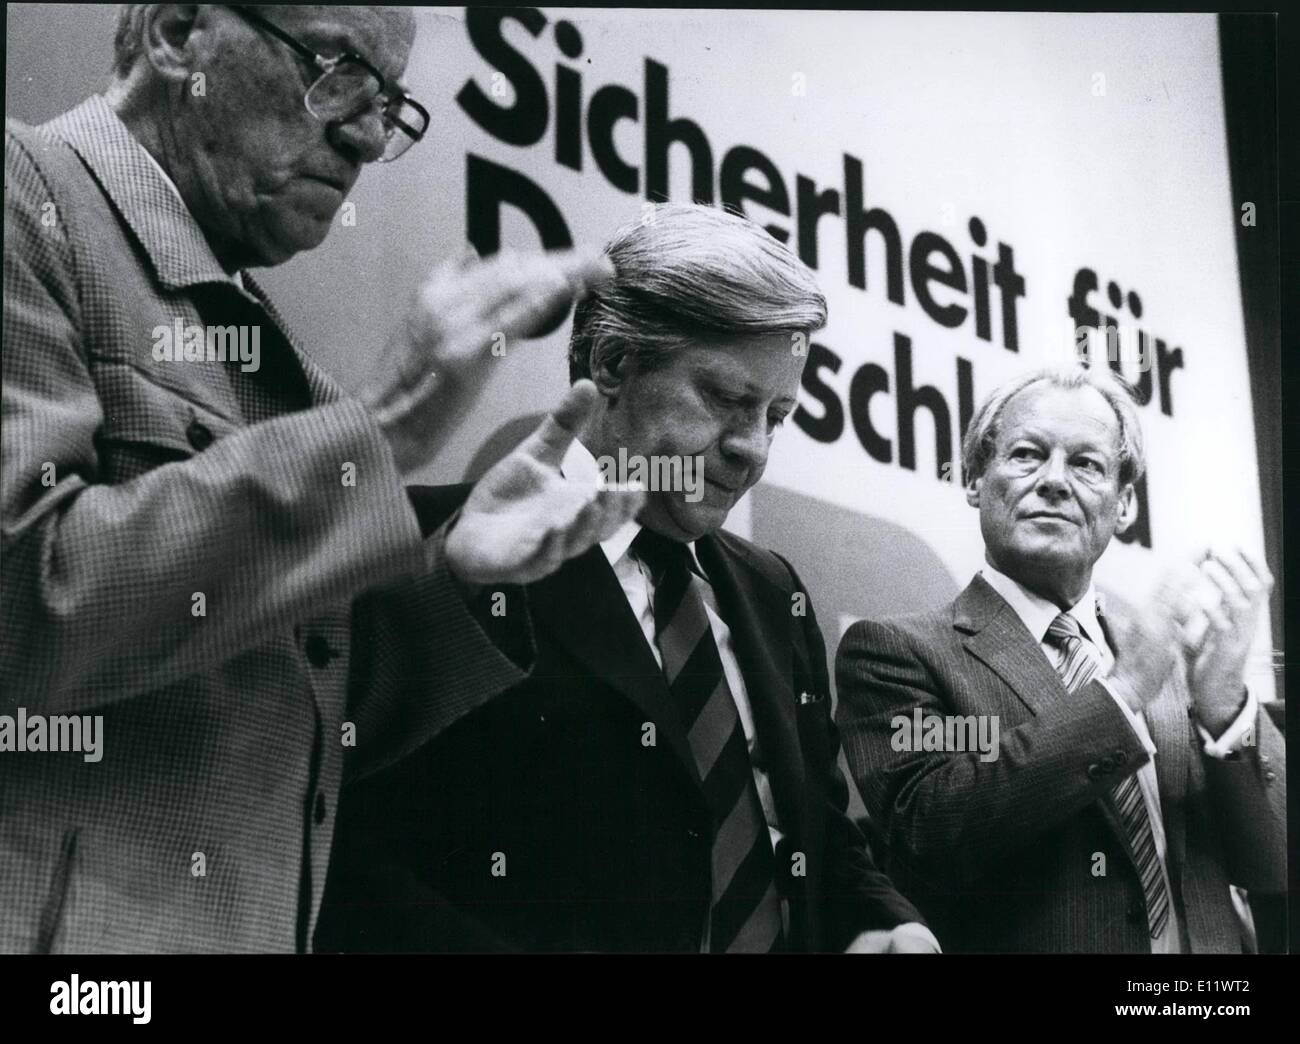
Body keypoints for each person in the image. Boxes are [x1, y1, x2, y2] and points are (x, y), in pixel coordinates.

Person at [0, 4, 640, 953]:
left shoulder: (281, 363)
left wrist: (454, 582)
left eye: (388, 103)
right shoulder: (24, 191)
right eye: (337, 70)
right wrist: (377, 433)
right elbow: (23, 603)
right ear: (180, 34)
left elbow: (300, 727)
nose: (366, 133)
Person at [316, 203, 939, 954]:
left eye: (778, 414)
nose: (753, 449)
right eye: (727, 399)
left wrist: (887, 924)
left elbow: (817, 828)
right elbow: (356, 858)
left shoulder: (776, 594)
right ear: (612, 364)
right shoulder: (429, 553)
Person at [835, 365, 1285, 952]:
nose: (1053, 481)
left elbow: (1275, 865)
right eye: (1026, 455)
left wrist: (1226, 706)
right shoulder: (897, 652)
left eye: (1086, 464)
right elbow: (933, 831)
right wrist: (1122, 694)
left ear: (1123, 506)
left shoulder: (1171, 664)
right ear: (974, 480)